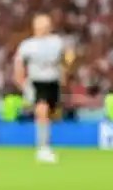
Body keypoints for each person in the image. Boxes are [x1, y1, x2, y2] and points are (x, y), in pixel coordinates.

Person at [13, 14, 74, 164]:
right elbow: (19, 64)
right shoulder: (27, 45)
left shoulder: (57, 42)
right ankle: (43, 148)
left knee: (50, 113)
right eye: (40, 26)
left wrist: (66, 67)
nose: (43, 29)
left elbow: (68, 55)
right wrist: (21, 82)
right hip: (37, 81)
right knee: (42, 111)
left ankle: (45, 142)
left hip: (53, 81)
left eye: (45, 26)